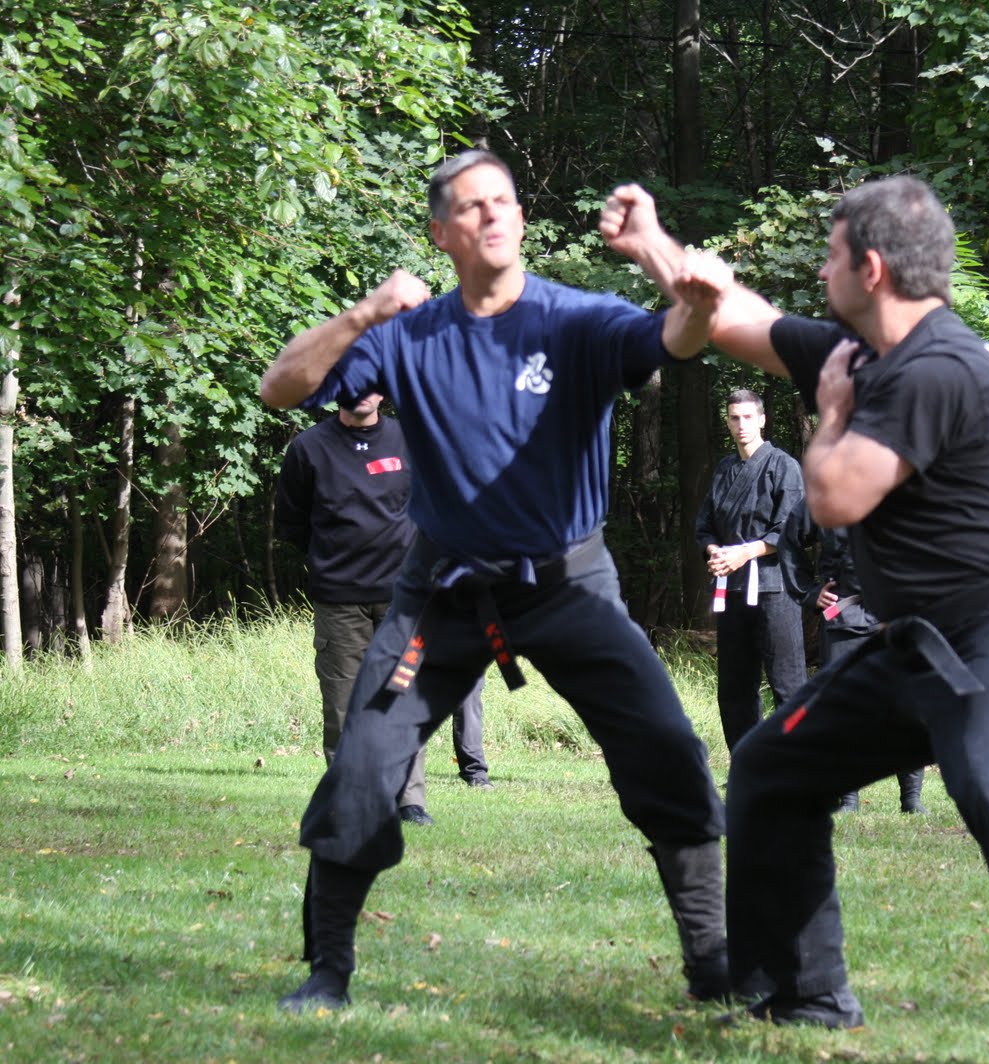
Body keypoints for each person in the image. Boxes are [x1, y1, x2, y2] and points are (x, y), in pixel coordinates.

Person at [602, 176, 989, 1062]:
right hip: (913, 642)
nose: (820, 271)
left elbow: (833, 495)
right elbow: (735, 317)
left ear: (873, 268)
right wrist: (653, 244)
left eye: (830, 256)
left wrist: (828, 414)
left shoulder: (937, 367)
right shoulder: (864, 352)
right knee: (772, 767)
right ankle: (806, 993)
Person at [260, 150, 731, 1014]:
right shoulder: (406, 335)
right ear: (441, 233)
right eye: (473, 206)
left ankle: (712, 965)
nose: (493, 215)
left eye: (504, 201)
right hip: (440, 593)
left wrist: (681, 285)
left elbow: (677, 338)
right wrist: (364, 313)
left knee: (666, 748)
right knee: (363, 765)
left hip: (570, 582)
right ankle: (327, 972)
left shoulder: (576, 320)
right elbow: (279, 388)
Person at [275, 391, 493, 830]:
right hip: (339, 600)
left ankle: (409, 800)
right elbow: (292, 524)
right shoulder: (308, 448)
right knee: (343, 707)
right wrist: (331, 562)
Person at [780, 506, 927, 814]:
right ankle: (847, 797)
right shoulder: (829, 492)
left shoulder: (905, 487)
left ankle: (912, 797)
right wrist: (810, 592)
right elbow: (789, 541)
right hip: (845, 616)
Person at [695, 389, 807, 751]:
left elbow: (791, 529)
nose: (741, 424)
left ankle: (798, 765)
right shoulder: (724, 470)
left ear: (761, 420)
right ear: (727, 422)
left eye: (747, 417)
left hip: (775, 587)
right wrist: (715, 552)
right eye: (734, 418)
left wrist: (745, 553)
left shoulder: (784, 466)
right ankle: (745, 762)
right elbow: (705, 525)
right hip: (732, 587)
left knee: (787, 683)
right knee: (735, 685)